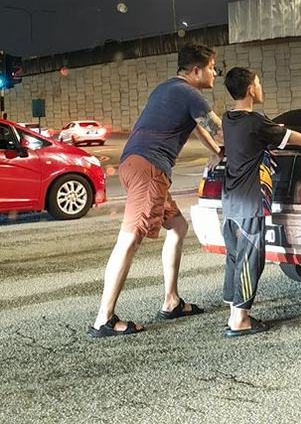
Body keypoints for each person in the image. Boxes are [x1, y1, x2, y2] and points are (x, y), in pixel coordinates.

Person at [88, 42, 224, 338]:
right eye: (213, 68)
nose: (216, 73)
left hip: (135, 164)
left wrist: (217, 153)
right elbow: (216, 127)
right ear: (196, 70)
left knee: (176, 226)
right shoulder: (191, 94)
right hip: (149, 170)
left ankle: (171, 301)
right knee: (129, 240)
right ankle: (103, 318)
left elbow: (199, 129)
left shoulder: (167, 89)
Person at [220, 67, 301, 337]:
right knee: (251, 256)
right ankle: (240, 320)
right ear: (250, 89)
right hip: (250, 198)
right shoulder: (256, 122)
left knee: (235, 254)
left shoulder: (229, 118)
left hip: (230, 197)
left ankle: (233, 310)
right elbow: (289, 138)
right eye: (258, 83)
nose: (261, 88)